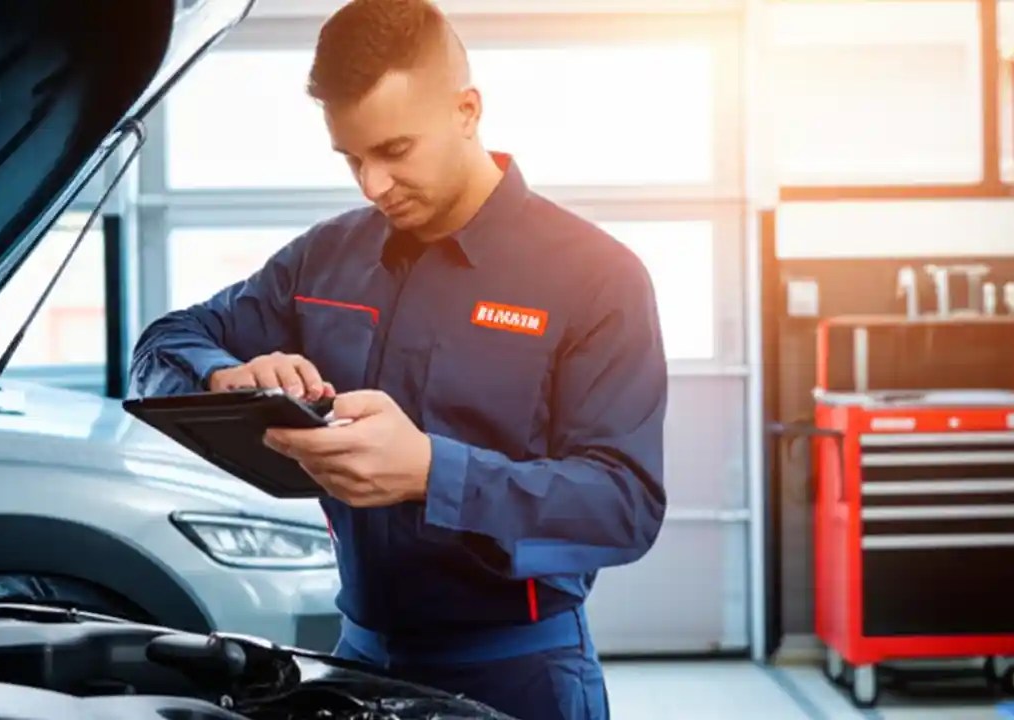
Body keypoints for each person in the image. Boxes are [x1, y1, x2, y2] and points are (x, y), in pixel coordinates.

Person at [129, 1, 667, 717]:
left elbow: (624, 506)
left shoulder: (597, 276)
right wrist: (226, 375)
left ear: (467, 111)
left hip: (521, 674)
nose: (371, 185)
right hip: (355, 660)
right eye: (351, 158)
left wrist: (431, 473)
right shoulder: (325, 258)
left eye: (395, 150)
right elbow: (163, 344)